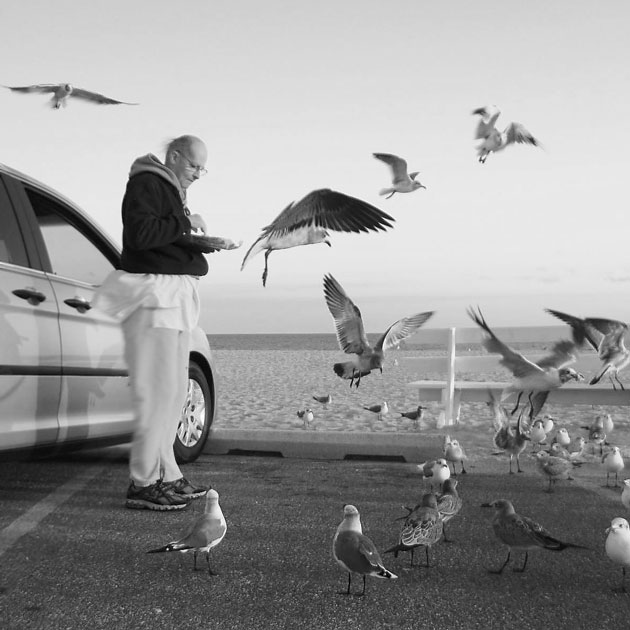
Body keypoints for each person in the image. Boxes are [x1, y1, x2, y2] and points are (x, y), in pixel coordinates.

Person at [94, 135, 214, 511]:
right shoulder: (147, 182)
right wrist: (185, 223)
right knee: (158, 393)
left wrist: (195, 239)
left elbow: (164, 237)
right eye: (194, 165)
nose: (199, 174)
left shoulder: (171, 190)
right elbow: (141, 235)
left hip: (171, 302)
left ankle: (168, 474)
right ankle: (143, 482)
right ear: (174, 156)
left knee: (175, 392)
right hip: (153, 302)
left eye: (202, 168)